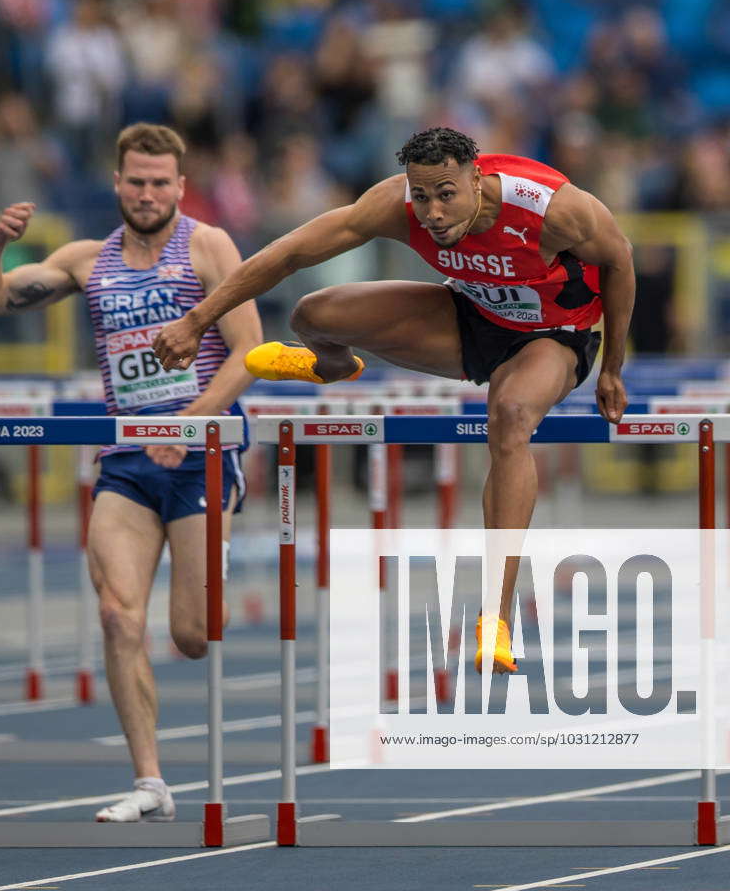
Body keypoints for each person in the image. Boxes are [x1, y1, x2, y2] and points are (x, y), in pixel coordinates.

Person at [152, 126, 634, 674]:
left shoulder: (550, 209)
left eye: (446, 195)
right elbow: (289, 253)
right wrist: (197, 320)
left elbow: (620, 260)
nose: (432, 213)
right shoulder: (396, 203)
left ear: (478, 179)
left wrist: (612, 368)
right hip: (471, 319)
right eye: (422, 196)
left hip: (553, 332)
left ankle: (495, 615)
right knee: (312, 315)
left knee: (511, 414)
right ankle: (332, 365)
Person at [0, 123, 262, 821]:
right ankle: (150, 783)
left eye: (161, 182)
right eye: (137, 181)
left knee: (192, 634)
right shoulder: (87, 260)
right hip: (126, 459)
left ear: (181, 188)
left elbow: (250, 349)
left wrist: (187, 423)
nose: (148, 193)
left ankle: (204, 584)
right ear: (118, 184)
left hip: (200, 452)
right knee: (116, 615)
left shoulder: (209, 246)